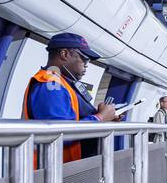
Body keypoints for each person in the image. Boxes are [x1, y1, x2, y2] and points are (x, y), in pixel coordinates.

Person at [21, 32, 118, 162]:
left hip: (69, 168)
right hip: (56, 171)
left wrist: (105, 117)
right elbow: (60, 133)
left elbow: (72, 117)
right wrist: (100, 117)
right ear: (64, 54)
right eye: (84, 58)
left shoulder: (64, 83)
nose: (86, 64)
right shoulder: (50, 84)